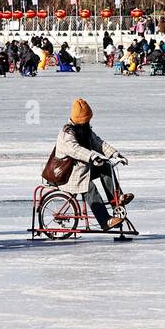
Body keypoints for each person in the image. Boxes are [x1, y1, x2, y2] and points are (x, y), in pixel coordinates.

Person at [53, 98, 130, 231]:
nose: (87, 123)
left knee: (106, 167)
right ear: (78, 120)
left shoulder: (84, 130)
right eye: (84, 121)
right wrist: (92, 156)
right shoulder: (67, 133)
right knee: (89, 187)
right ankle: (105, 221)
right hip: (67, 174)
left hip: (80, 170)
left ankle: (117, 200)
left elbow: (98, 143)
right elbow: (75, 150)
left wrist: (114, 154)